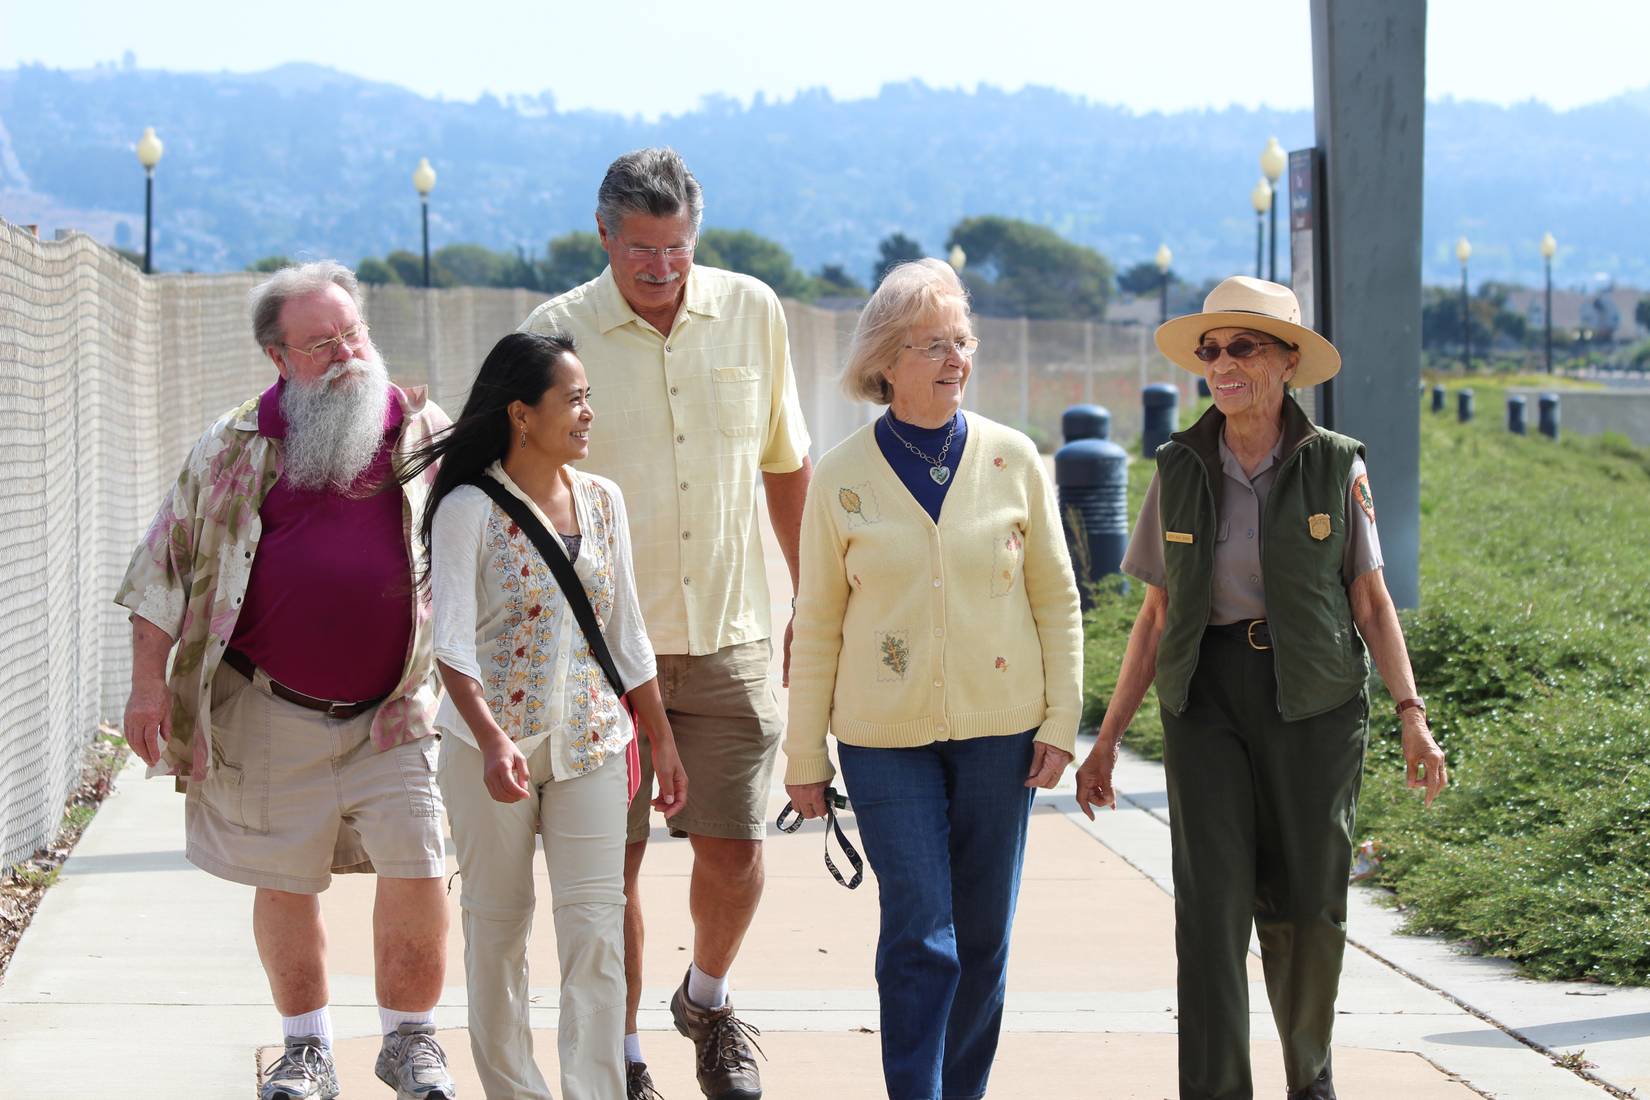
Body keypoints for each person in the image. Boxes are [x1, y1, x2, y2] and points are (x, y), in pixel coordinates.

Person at [1074, 276, 1449, 1100]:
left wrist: (1411, 715)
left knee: (1308, 908)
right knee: (1210, 914)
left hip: (1315, 702)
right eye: (1211, 350)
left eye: (1242, 347)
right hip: (1204, 699)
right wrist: (1105, 743)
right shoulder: (1178, 466)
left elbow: (1371, 601)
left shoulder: (1335, 465)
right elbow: (1155, 616)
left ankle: (1310, 1076)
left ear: (1286, 362)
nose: (1222, 363)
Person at [115, 261, 457, 1100]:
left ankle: (410, 1040)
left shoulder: (422, 432)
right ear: (278, 358)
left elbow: (485, 541)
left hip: (397, 710)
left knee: (419, 869)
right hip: (270, 706)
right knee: (286, 881)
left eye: (353, 334)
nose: (345, 356)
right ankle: (306, 1050)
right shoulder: (234, 443)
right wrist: (148, 686)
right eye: (320, 345)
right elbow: (164, 565)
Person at [520, 147, 812, 1100]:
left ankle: (707, 1001)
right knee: (615, 869)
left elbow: (785, 465)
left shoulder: (753, 311)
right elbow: (520, 493)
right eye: (641, 248)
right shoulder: (552, 334)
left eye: (677, 247)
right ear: (603, 235)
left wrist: (813, 600)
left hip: (730, 633)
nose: (660, 267)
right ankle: (627, 1057)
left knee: (737, 852)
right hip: (599, 658)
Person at [783, 259, 1083, 1100]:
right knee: (921, 931)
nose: (956, 359)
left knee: (983, 936)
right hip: (883, 742)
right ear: (886, 361)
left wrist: (1062, 721)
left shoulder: (1014, 459)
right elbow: (818, 622)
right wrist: (804, 756)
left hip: (1002, 732)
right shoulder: (841, 475)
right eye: (932, 345)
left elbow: (1056, 598)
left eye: (963, 341)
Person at [404, 329, 689, 1099]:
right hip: (487, 750)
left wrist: (661, 739)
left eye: (589, 397)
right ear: (522, 414)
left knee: (595, 929)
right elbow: (450, 644)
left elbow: (627, 633)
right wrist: (492, 739)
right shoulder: (466, 508)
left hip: (594, 743)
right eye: (574, 399)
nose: (588, 412)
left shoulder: (603, 502)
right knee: (497, 928)